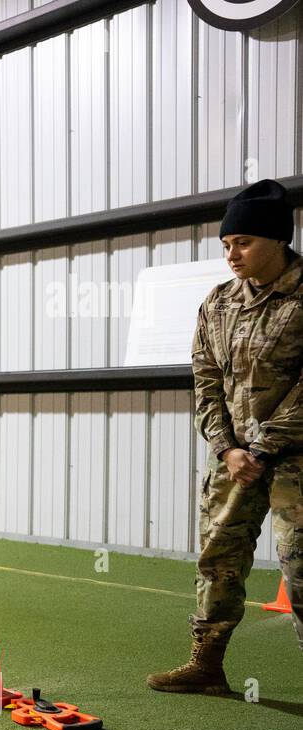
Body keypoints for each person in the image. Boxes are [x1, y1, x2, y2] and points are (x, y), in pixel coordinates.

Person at [148, 179, 303, 694]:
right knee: (218, 559)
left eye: (244, 242)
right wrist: (227, 447)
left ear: (278, 240)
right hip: (234, 459)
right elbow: (205, 378)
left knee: (299, 566)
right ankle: (206, 666)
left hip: (294, 460)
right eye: (226, 244)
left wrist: (262, 446)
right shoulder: (217, 303)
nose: (231, 254)